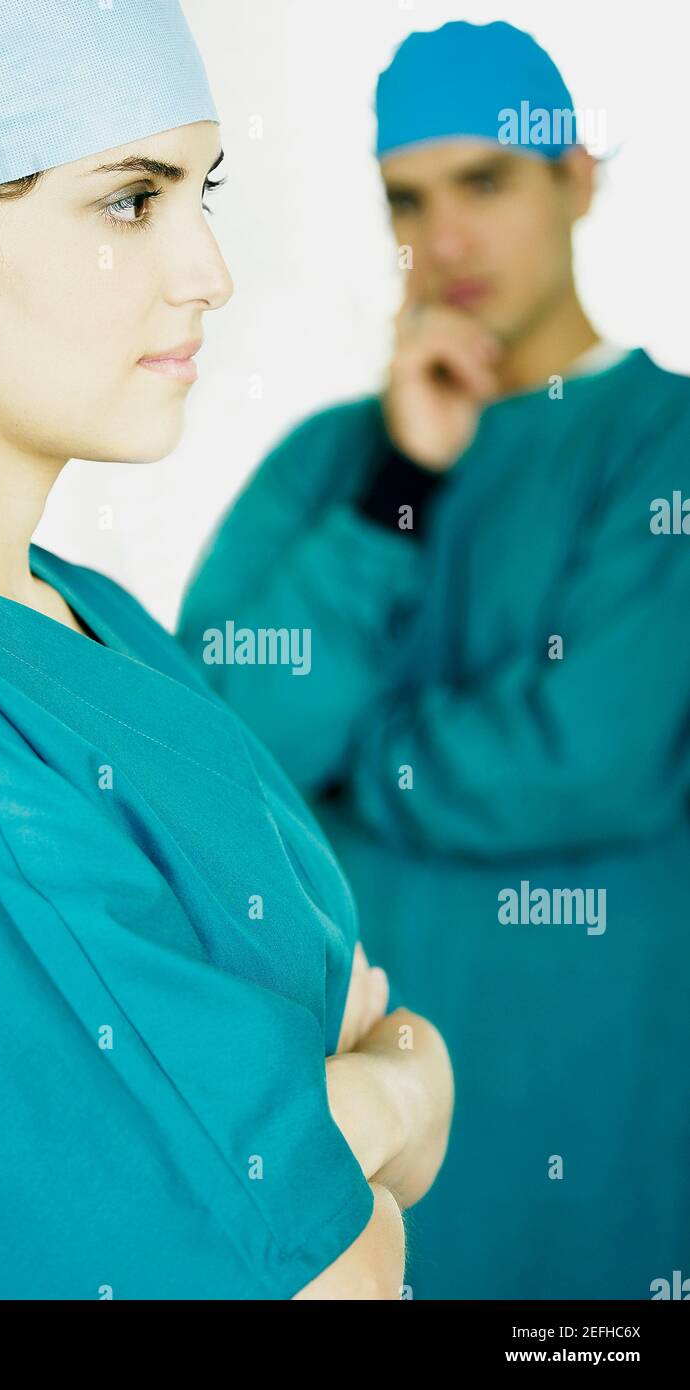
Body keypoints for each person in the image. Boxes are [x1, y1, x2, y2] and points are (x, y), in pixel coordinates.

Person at [0, 0, 454, 1300]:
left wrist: (311, 1124)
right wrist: (392, 1089)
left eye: (199, 189)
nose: (208, 269)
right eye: (129, 200)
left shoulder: (85, 609)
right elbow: (312, 1277)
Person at [178, 20, 690, 1299]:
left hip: (601, 1120)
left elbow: (591, 758)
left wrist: (352, 758)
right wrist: (403, 480)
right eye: (408, 196)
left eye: (485, 182)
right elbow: (219, 749)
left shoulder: (662, 446)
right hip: (353, 1148)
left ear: (575, 178)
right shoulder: (329, 464)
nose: (444, 238)